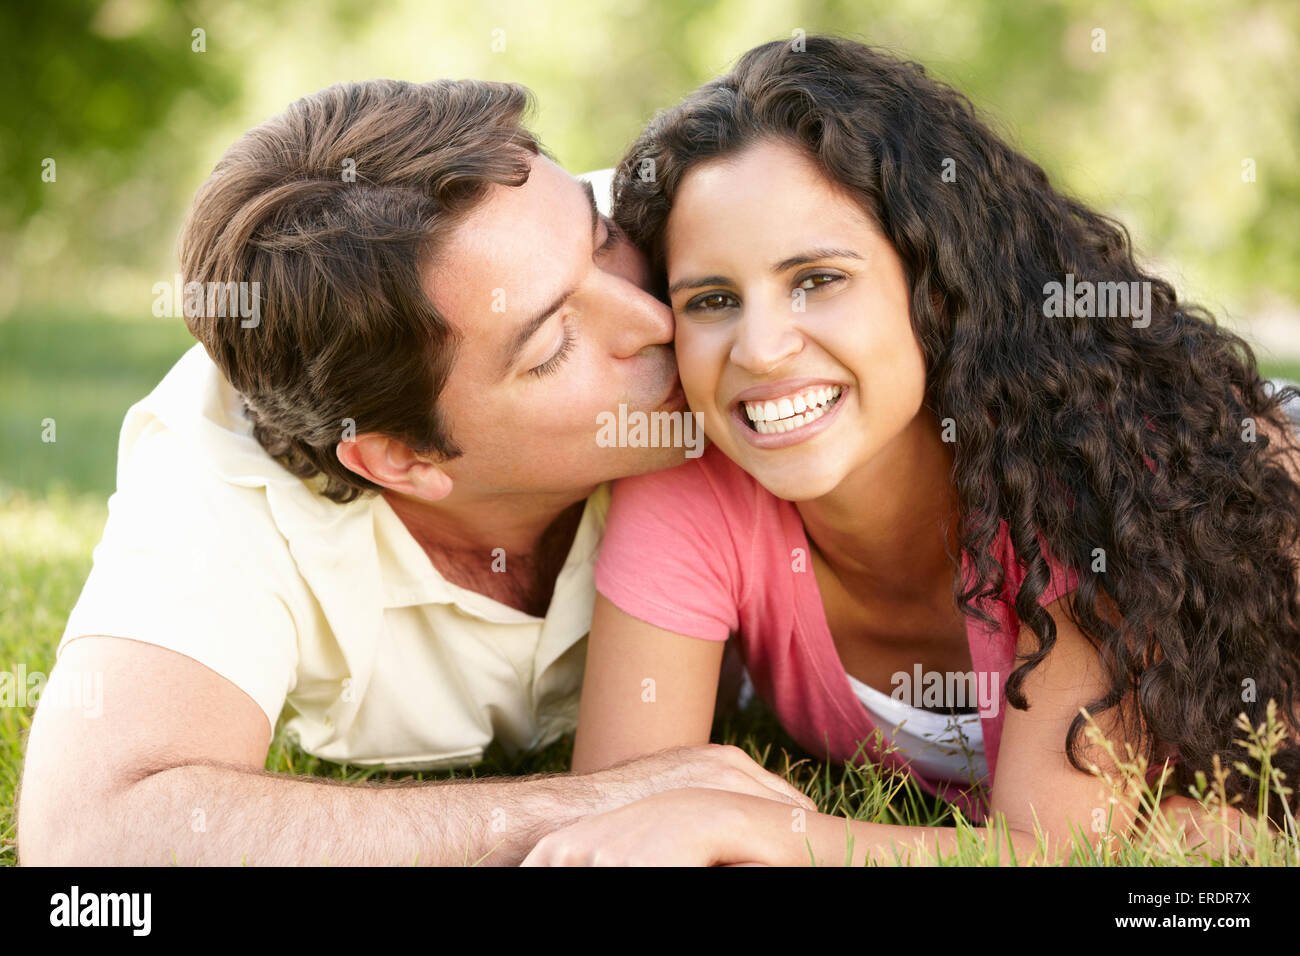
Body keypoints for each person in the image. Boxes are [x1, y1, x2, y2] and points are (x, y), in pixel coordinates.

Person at [527, 36, 1300, 866]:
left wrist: (751, 829)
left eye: (817, 279)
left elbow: (1057, 848)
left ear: (938, 286)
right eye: (712, 299)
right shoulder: (695, 485)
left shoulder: (1091, 471)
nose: (760, 349)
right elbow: (617, 817)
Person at [15, 78, 813, 867]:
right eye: (552, 347)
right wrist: (581, 804)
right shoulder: (220, 476)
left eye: (601, 238)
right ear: (402, 456)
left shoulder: (708, 227)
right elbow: (91, 834)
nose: (660, 318)